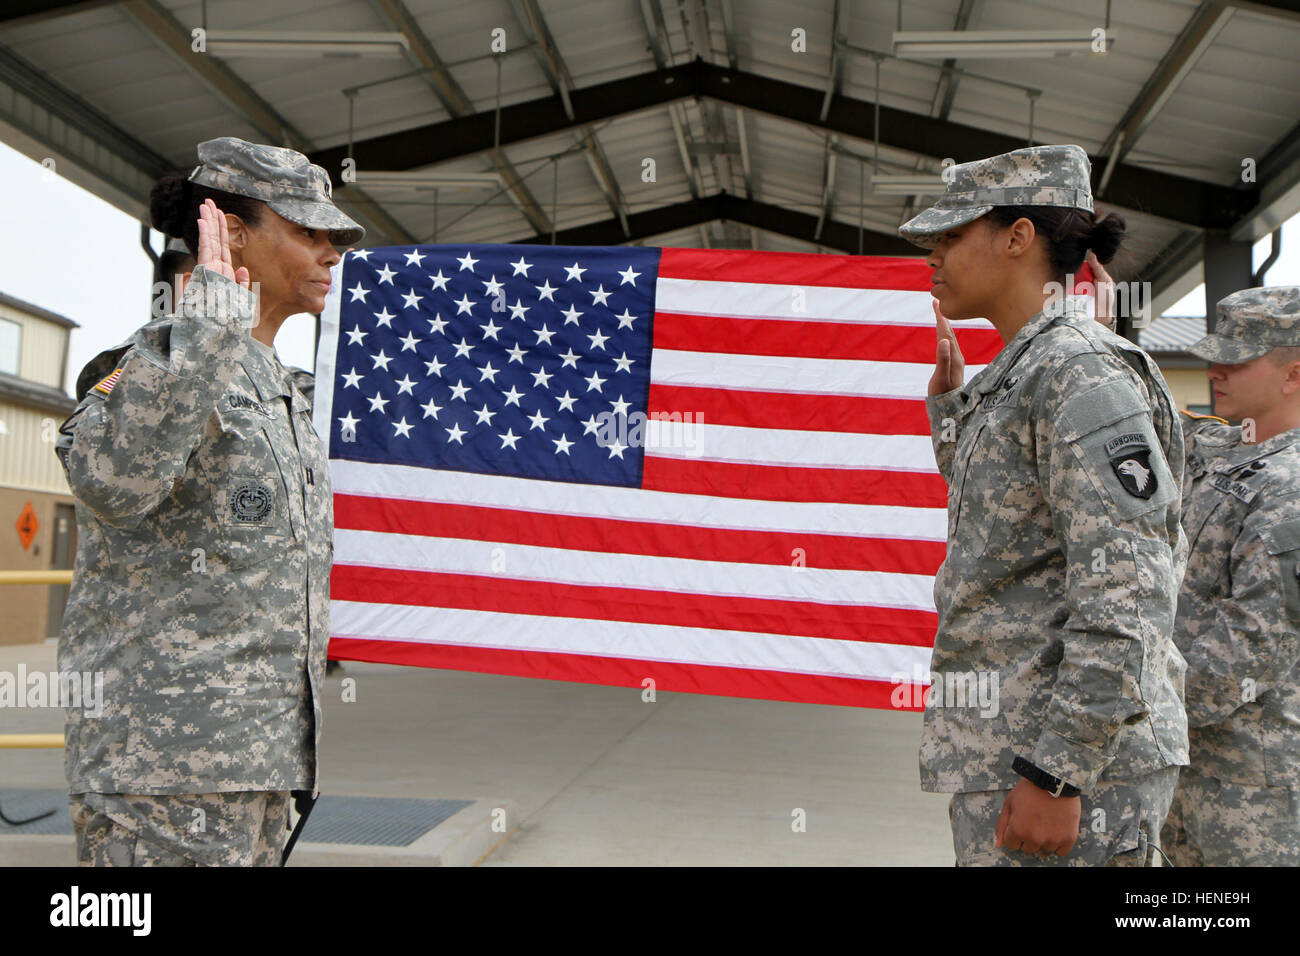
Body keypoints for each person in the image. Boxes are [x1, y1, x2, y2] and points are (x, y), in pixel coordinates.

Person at [54, 136, 363, 865]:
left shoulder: (276, 387)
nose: (330, 253)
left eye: (333, 237)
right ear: (229, 232)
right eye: (306, 231)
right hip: (160, 774)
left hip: (258, 768)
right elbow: (110, 479)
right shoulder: (160, 363)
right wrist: (211, 319)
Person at [900, 144, 1190, 866]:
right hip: (1021, 755)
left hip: (1069, 770)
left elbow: (1127, 583)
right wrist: (950, 405)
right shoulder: (1027, 370)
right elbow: (1009, 532)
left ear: (1018, 237)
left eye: (951, 235)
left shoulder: (1075, 372)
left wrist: (1060, 769)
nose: (932, 256)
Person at [1090, 274, 1300, 864]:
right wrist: (1105, 337)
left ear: (1294, 373)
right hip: (1188, 766)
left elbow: (1254, 644)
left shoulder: (1291, 488)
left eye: (1237, 362)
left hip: (1252, 793)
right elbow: (1148, 417)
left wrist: (1137, 708)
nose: (1216, 372)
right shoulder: (1226, 450)